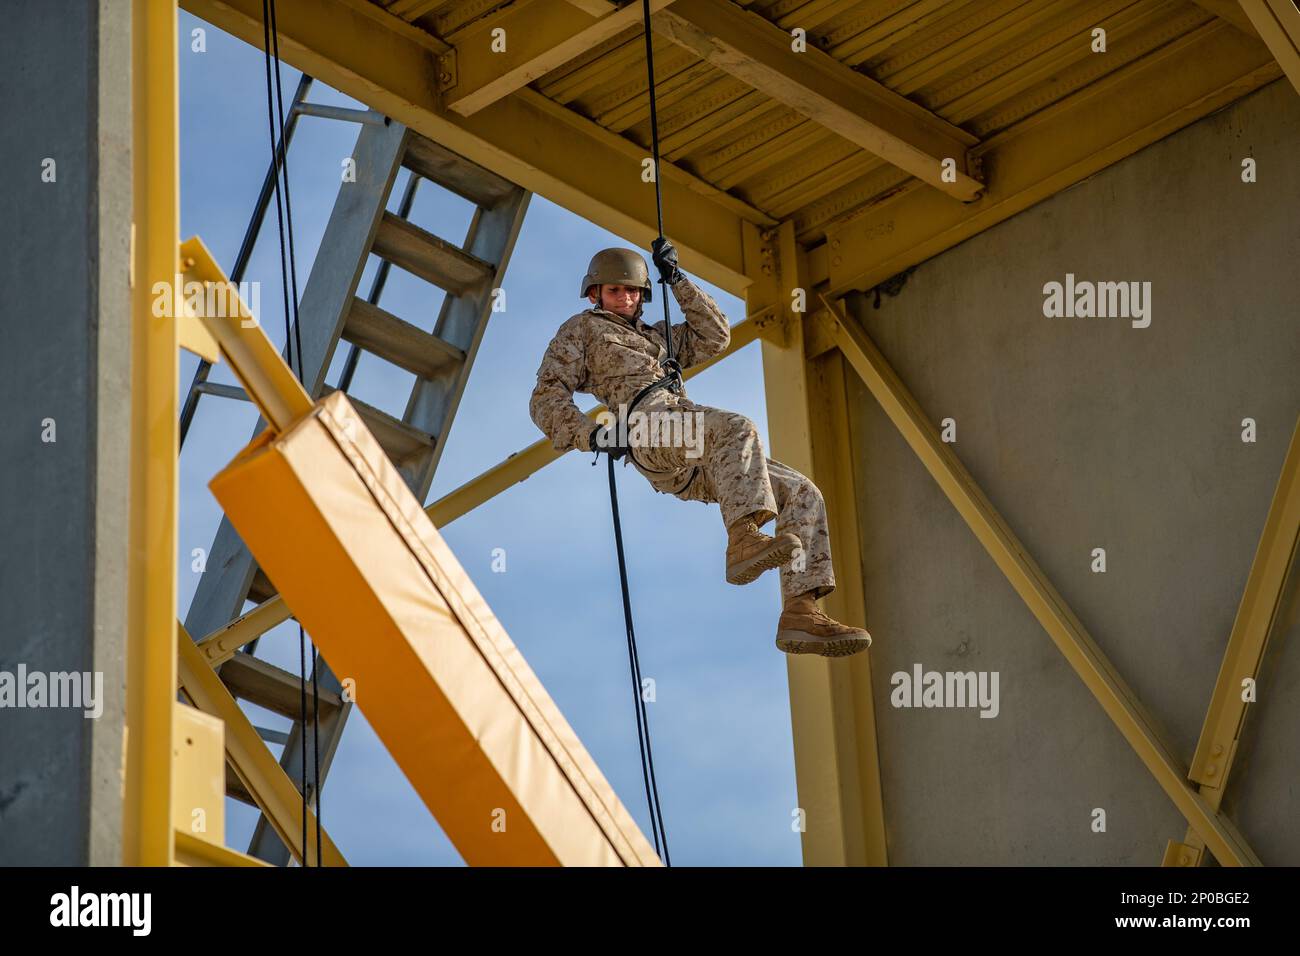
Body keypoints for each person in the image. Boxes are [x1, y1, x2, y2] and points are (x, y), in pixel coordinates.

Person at [528, 239, 871, 658]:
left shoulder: (659, 339)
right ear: (595, 293)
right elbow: (546, 396)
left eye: (633, 290)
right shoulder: (582, 330)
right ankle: (743, 539)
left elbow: (714, 336)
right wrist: (589, 434)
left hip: (689, 446)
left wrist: (677, 280)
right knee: (736, 428)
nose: (626, 297)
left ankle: (801, 610)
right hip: (646, 427)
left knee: (801, 492)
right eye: (615, 290)